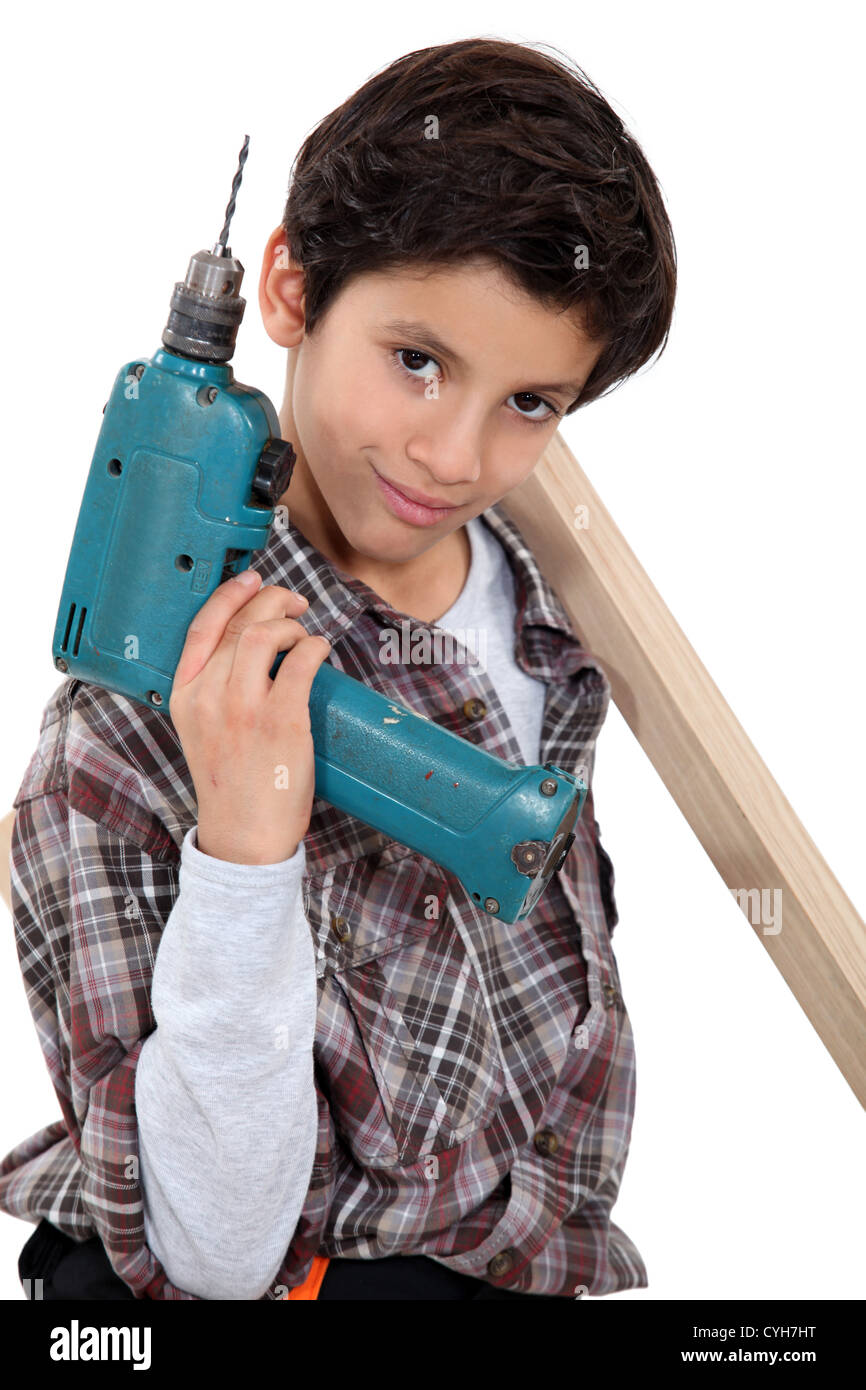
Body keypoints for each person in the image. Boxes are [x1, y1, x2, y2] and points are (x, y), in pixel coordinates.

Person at [2, 35, 676, 1300]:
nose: (453, 455)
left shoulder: (540, 612)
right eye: (415, 361)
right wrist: (245, 860)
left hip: (528, 1252)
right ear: (290, 294)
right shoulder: (108, 759)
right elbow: (210, 1254)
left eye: (529, 402)